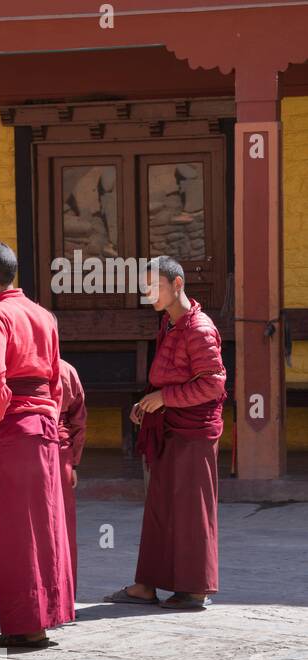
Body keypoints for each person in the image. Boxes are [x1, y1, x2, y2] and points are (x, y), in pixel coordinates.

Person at [0, 241, 74, 647]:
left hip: (10, 432)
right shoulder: (43, 315)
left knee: (12, 531)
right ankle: (43, 616)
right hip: (44, 429)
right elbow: (56, 378)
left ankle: (22, 624)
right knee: (43, 526)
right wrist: (50, 415)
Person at [104, 256, 225, 609]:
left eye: (154, 286)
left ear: (177, 285)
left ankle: (195, 588)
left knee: (190, 510)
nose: (148, 293)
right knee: (160, 509)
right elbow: (172, 376)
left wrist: (164, 398)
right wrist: (149, 403)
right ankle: (147, 584)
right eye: (145, 287)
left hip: (193, 434)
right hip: (169, 427)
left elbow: (214, 385)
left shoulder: (199, 327)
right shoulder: (171, 324)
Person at [57, 359, 87, 595]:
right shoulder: (67, 369)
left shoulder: (18, 364)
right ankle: (65, 595)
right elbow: (78, 421)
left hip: (24, 450)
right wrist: (73, 463)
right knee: (62, 526)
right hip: (61, 452)